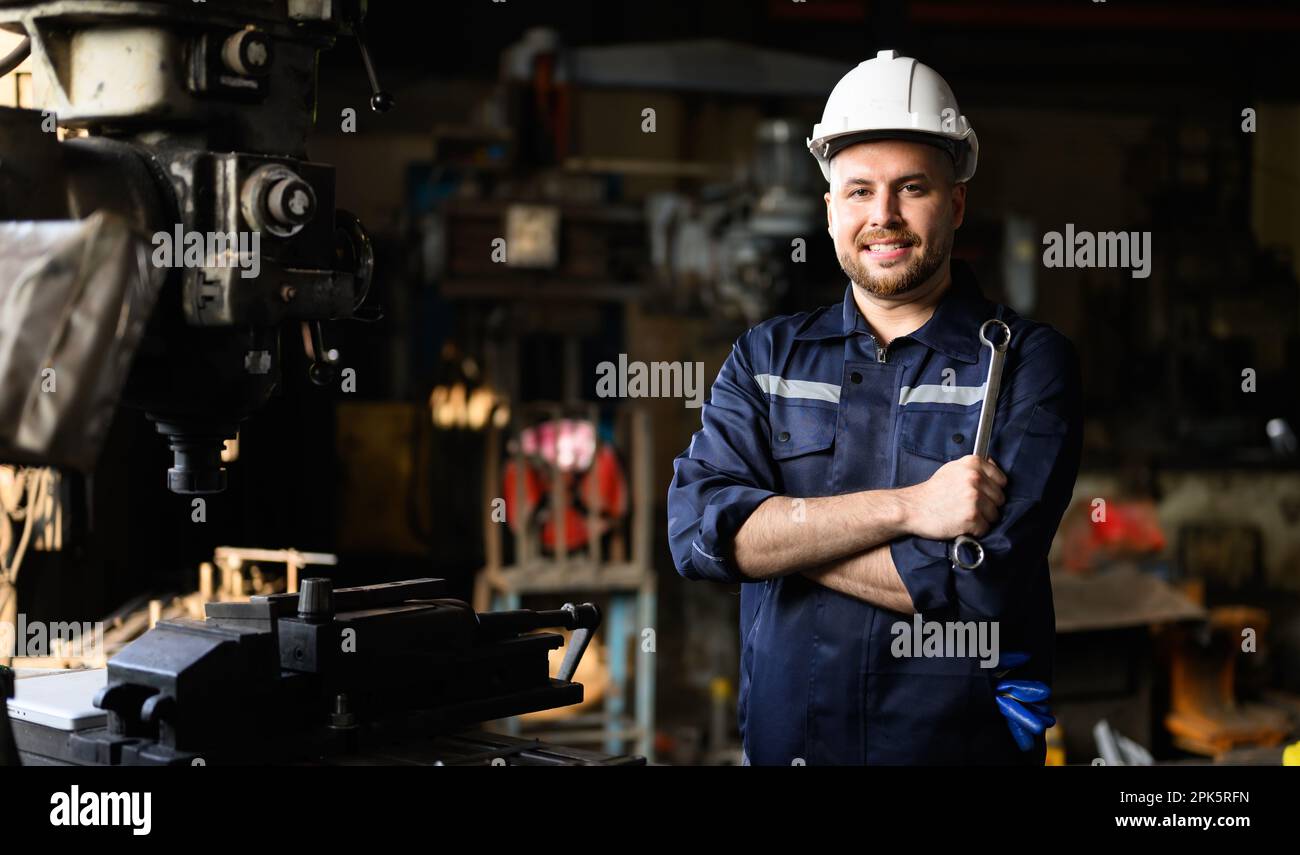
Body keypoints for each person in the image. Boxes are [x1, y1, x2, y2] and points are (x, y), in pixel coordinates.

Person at [667, 50, 1083, 765]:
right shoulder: (768, 359)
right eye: (858, 191)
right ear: (830, 209)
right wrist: (910, 509)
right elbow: (697, 536)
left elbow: (977, 583)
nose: (882, 216)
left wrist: (774, 542)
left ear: (954, 202)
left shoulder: (1022, 364)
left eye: (910, 187)